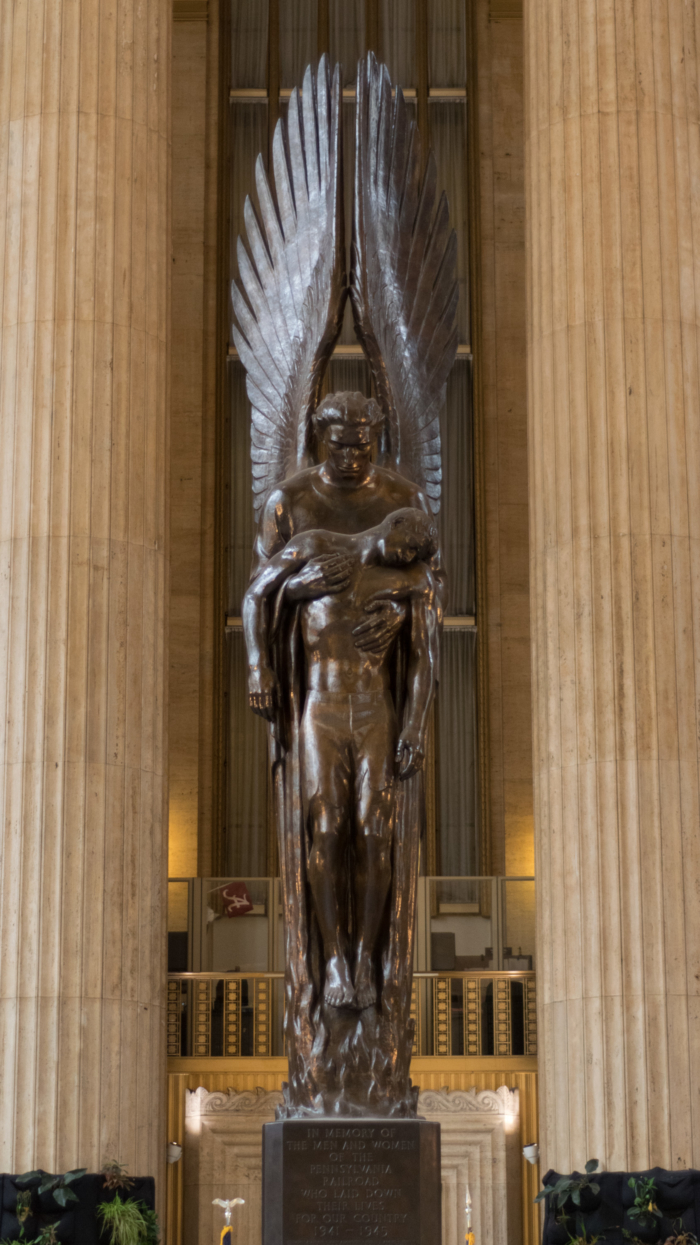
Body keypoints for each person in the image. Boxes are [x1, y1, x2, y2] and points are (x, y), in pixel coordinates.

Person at [243, 507, 439, 1010]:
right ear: (395, 526)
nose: (408, 560)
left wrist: (415, 726)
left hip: (377, 711)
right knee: (326, 828)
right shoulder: (313, 546)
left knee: (376, 833)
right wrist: (258, 665)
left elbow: (424, 660)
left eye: (415, 558)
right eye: (408, 548)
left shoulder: (412, 581)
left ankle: (364, 958)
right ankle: (333, 957)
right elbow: (256, 596)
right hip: (321, 708)